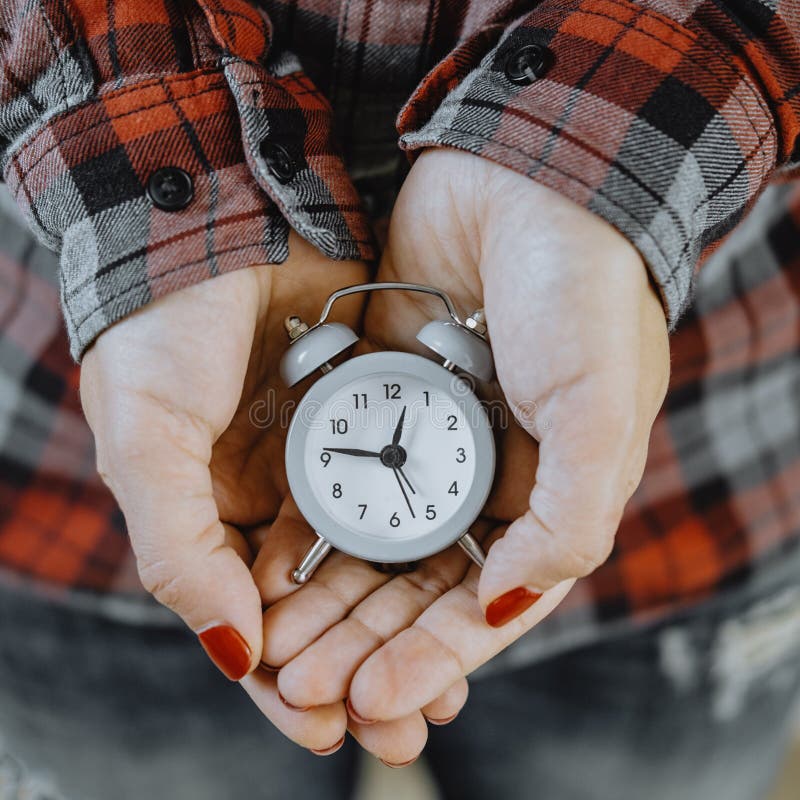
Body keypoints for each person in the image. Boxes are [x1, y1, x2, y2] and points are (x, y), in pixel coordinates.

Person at [1, 1, 799, 798]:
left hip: (694, 494)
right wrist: (158, 202)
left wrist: (596, 154)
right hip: (80, 502)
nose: (389, 451)